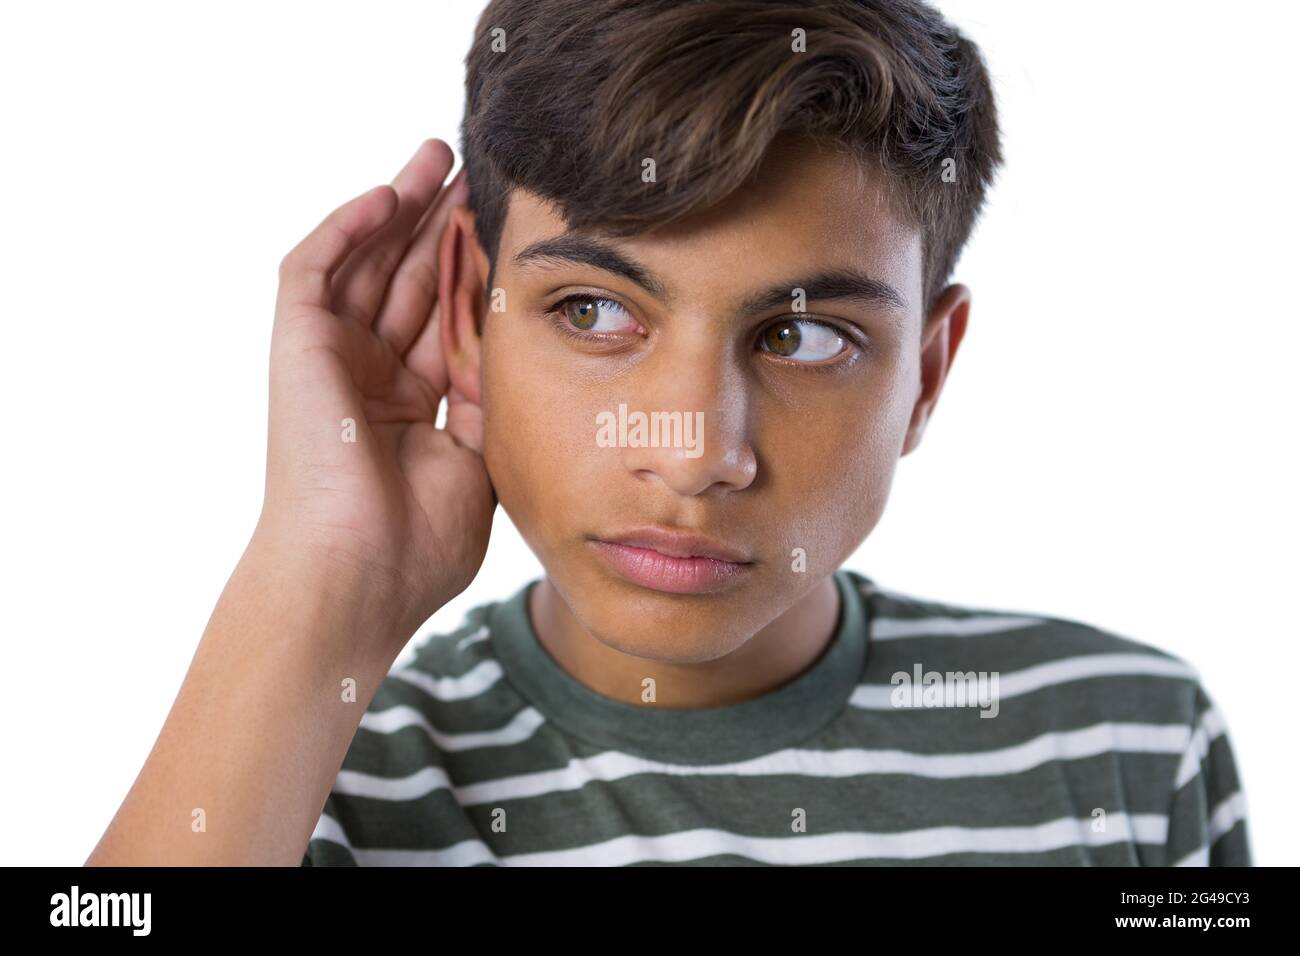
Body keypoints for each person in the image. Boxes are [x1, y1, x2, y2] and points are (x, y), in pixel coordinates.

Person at [86, 0, 1251, 866]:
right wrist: (322, 579)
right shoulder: (303, 788)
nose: (693, 451)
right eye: (592, 311)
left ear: (927, 371)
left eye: (804, 338)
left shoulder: (1128, 745)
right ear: (465, 312)